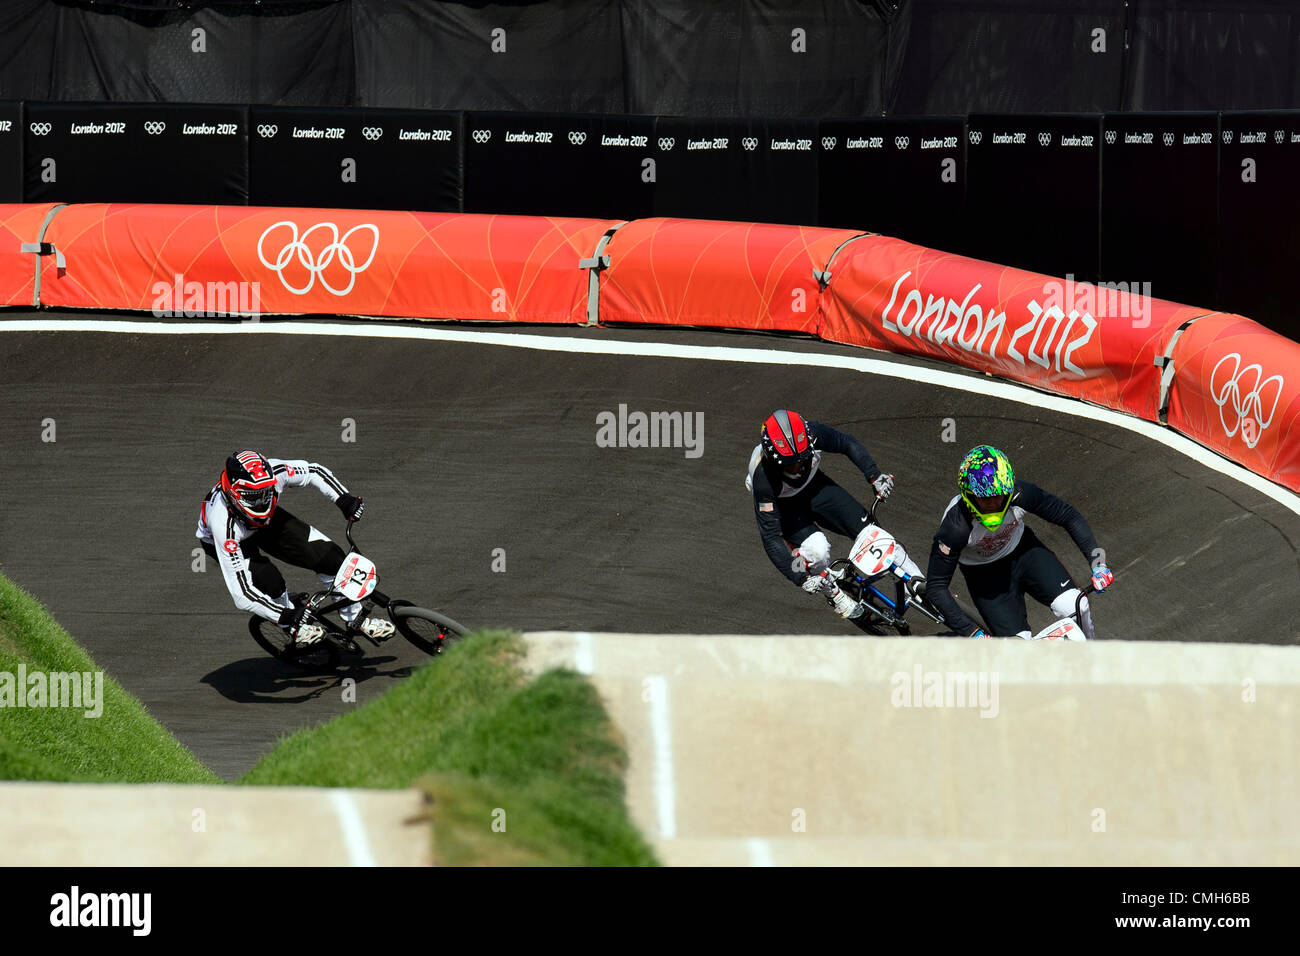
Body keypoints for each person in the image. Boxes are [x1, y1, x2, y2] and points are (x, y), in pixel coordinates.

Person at [196, 450, 394, 646]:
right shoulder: (222, 524)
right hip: (232, 538)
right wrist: (285, 616)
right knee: (269, 581)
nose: (261, 500)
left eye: (266, 493)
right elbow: (242, 594)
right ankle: (293, 627)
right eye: (254, 497)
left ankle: (355, 618)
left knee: (329, 557)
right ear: (235, 494)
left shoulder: (273, 472)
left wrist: (344, 499)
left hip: (266, 522)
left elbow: (313, 472)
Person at [924, 445, 1113, 639]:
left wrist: (1098, 564)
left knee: (1077, 606)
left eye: (999, 498)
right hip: (985, 577)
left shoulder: (1021, 494)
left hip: (1024, 552)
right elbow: (936, 586)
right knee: (1019, 646)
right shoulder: (955, 527)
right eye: (985, 500)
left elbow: (1068, 516)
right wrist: (972, 632)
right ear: (969, 496)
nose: (993, 506)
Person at [746, 409, 895, 617]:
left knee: (871, 531)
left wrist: (874, 475)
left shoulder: (813, 433)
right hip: (782, 503)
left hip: (813, 486)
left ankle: (916, 583)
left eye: (803, 458)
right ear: (773, 459)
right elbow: (771, 537)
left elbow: (846, 442)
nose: (798, 466)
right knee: (818, 551)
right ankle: (832, 592)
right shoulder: (763, 478)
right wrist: (800, 577)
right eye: (791, 464)